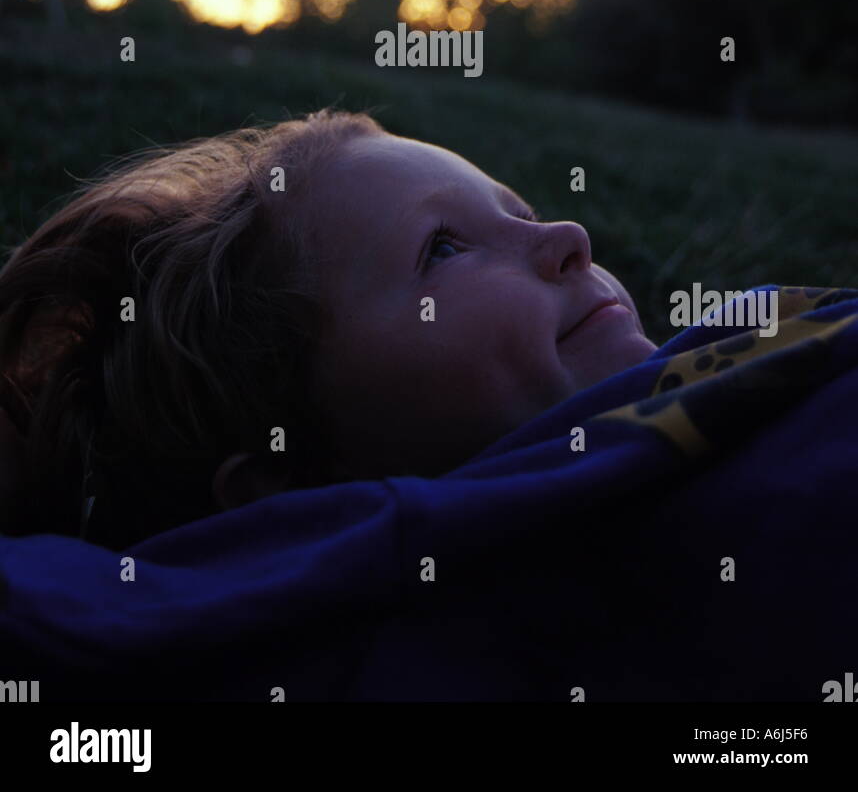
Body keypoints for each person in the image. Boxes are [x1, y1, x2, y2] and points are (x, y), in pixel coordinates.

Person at [1, 108, 857, 701]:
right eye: (442, 249)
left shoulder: (725, 341)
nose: (566, 240)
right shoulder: (479, 583)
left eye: (521, 212)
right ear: (299, 487)